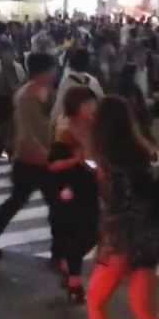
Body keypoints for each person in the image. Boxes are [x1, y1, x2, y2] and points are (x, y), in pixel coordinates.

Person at [86, 95, 159, 319]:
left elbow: (115, 204)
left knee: (95, 300)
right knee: (143, 310)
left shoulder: (108, 161)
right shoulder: (143, 153)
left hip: (121, 238)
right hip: (150, 237)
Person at [0, 52, 61, 259]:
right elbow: (27, 131)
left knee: (32, 201)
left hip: (39, 156)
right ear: (44, 71)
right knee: (45, 202)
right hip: (31, 159)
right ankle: (59, 250)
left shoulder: (45, 91)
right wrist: (45, 155)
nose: (55, 72)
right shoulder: (27, 96)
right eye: (53, 69)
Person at [48, 86, 100, 303]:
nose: (92, 108)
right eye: (86, 104)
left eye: (92, 103)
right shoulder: (65, 130)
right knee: (79, 233)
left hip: (90, 185)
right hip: (69, 188)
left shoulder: (94, 126)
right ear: (75, 107)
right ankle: (75, 282)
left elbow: (94, 158)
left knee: (93, 232)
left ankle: (68, 264)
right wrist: (75, 161)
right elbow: (53, 165)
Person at [52, 47, 103, 128]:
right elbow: (101, 102)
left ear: (70, 63)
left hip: (73, 128)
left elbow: (58, 109)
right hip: (92, 126)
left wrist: (52, 122)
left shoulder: (67, 82)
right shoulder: (93, 81)